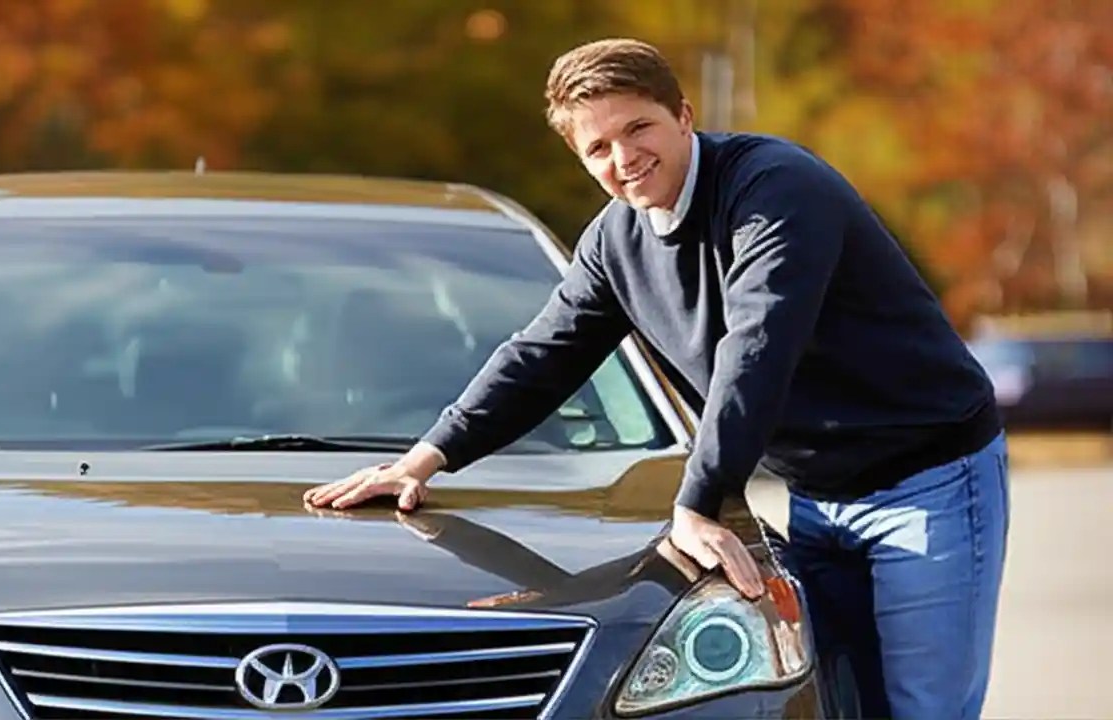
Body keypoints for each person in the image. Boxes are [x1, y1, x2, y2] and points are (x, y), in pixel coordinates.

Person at [305, 37, 1009, 719]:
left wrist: (698, 502)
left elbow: (757, 347)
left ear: (683, 116)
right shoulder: (616, 242)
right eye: (598, 148)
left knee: (925, 709)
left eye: (637, 127)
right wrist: (426, 459)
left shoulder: (776, 190)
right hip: (818, 497)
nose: (624, 157)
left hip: (930, 483)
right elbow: (541, 356)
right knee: (846, 705)